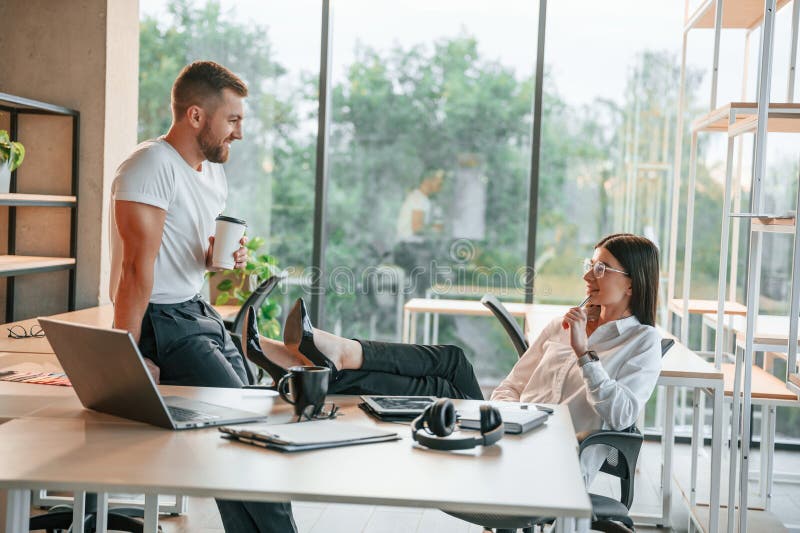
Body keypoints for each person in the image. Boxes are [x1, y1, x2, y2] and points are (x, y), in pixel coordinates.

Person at [248, 233, 662, 484]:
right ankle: (320, 364)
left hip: (557, 453)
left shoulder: (641, 343)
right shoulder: (564, 322)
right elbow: (514, 383)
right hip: (509, 427)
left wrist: (583, 353)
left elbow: (622, 414)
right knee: (435, 385)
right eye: (591, 265)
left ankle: (313, 366)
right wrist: (496, 413)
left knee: (449, 364)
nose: (589, 276)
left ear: (631, 283)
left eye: (602, 269)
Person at [109, 60, 297, 533]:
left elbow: (187, 252)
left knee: (252, 429)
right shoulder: (149, 165)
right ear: (196, 116)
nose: (239, 133)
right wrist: (125, 361)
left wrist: (216, 255)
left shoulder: (212, 175)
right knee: (247, 436)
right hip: (161, 320)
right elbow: (134, 271)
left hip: (196, 311)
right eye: (232, 120)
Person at [393, 169, 445, 296]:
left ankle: (434, 310)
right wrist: (434, 229)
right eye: (439, 183)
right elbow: (417, 228)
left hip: (413, 248)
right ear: (428, 181)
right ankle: (428, 309)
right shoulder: (418, 199)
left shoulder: (424, 200)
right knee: (431, 280)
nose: (441, 186)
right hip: (407, 249)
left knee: (437, 276)